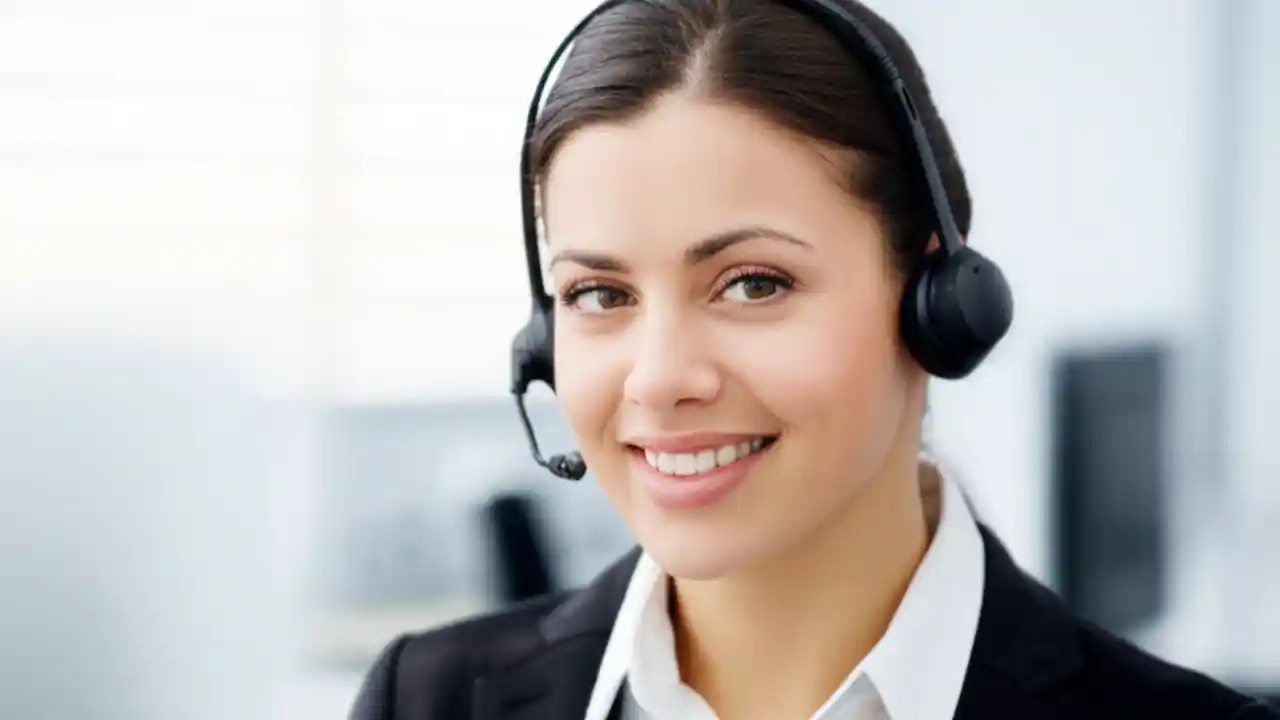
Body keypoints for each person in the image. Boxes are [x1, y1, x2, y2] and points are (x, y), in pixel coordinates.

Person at [350, 1, 1278, 718]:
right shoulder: (425, 701)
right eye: (602, 295)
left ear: (936, 303)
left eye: (752, 283)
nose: (661, 377)